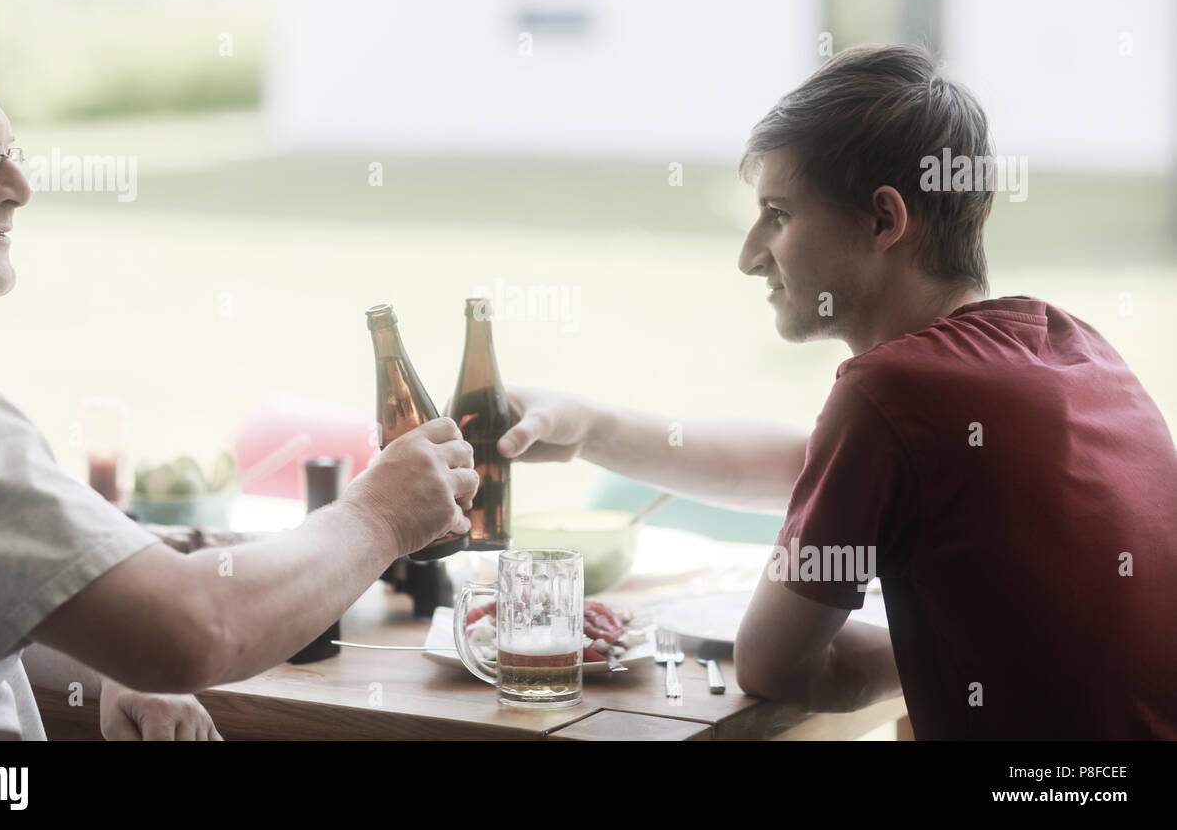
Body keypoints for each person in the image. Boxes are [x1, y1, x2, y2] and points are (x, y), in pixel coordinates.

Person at [497, 44, 1177, 739]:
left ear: (885, 221)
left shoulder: (893, 391)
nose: (750, 254)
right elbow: (816, 468)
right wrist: (588, 428)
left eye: (779, 214)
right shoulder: (1075, 347)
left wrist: (933, 653)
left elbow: (773, 664)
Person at [0, 31, 475, 740]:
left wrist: (106, 668)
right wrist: (377, 518)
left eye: (15, 154)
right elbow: (196, 627)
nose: (20, 187)